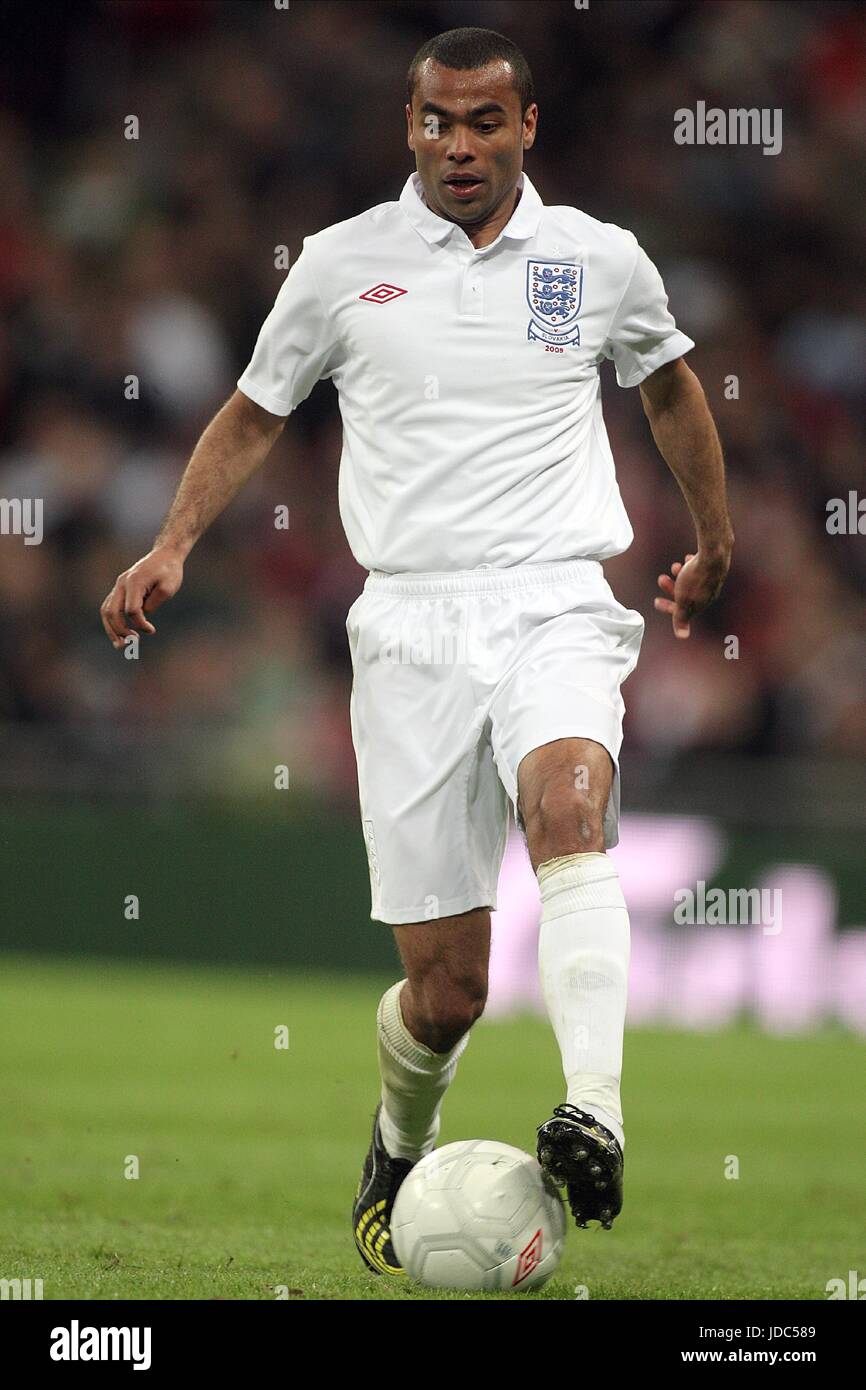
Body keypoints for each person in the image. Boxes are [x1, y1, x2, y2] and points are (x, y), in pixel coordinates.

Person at [100, 27, 733, 1278]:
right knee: (445, 996)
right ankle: (398, 1143)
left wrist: (711, 546)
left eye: (483, 123)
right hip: (409, 626)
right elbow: (251, 410)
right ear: (408, 128)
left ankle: (593, 1109)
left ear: (526, 128)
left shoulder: (598, 259)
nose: (458, 145)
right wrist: (171, 542)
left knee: (570, 810)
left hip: (556, 598)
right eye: (436, 122)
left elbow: (667, 388)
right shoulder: (339, 266)